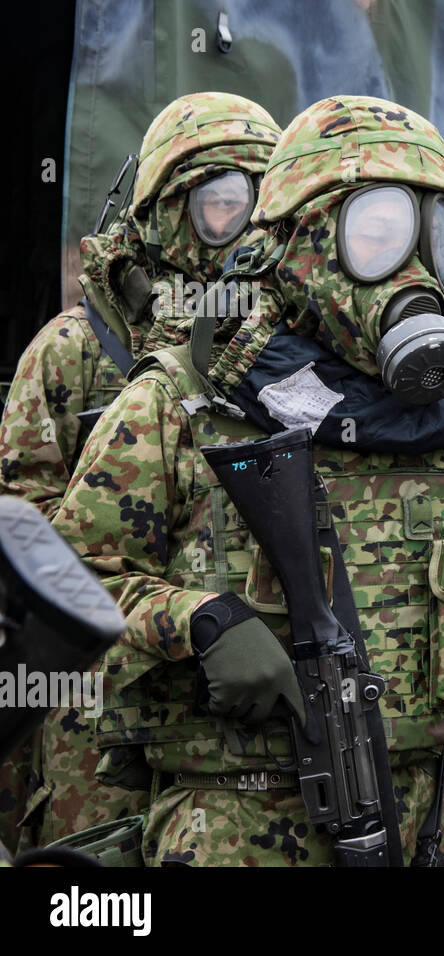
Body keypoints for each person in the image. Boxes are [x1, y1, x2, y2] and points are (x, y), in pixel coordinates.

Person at [51, 94, 444, 866]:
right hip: (238, 826)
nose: (412, 271)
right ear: (305, 242)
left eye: (433, 239)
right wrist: (197, 623)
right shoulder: (185, 400)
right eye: (378, 236)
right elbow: (65, 597)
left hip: (425, 822)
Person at [0, 92, 281, 853]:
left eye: (263, 209)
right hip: (97, 707)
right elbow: (32, 574)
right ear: (164, 214)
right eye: (221, 205)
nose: (245, 230)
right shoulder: (75, 355)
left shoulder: (276, 361)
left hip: (225, 719)